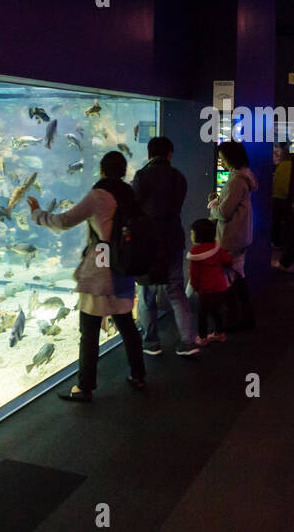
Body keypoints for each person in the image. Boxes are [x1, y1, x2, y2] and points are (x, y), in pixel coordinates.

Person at [29, 151, 148, 400]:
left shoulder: (99, 195)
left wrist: (37, 214)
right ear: (123, 171)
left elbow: (63, 221)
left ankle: (85, 387)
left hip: (101, 268)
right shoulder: (129, 194)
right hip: (124, 269)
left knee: (90, 330)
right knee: (127, 326)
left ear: (102, 171)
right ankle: (138, 376)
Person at [131, 136, 199, 358]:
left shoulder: (141, 176)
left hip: (148, 242)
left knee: (146, 292)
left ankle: (151, 342)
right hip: (173, 239)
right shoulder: (178, 177)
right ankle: (188, 341)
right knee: (176, 291)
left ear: (150, 154)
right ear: (170, 154)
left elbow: (135, 206)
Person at [209, 140, 258, 330]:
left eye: (222, 159)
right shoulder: (245, 177)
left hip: (231, 236)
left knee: (227, 279)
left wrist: (214, 206)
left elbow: (224, 213)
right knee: (237, 276)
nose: (221, 162)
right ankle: (245, 317)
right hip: (241, 235)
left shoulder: (236, 181)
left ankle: (232, 320)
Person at [187, 218, 232, 344]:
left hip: (206, 290)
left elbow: (194, 275)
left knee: (202, 314)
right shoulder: (216, 247)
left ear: (199, 235)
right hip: (221, 288)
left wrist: (195, 288)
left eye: (192, 233)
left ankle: (202, 338)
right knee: (216, 311)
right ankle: (220, 334)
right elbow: (228, 260)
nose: (190, 235)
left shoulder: (195, 253)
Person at [270, 144, 292, 250]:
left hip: (276, 197)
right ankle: (286, 242)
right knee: (287, 222)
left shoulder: (281, 165)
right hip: (286, 198)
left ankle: (276, 242)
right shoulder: (291, 165)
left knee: (276, 222)